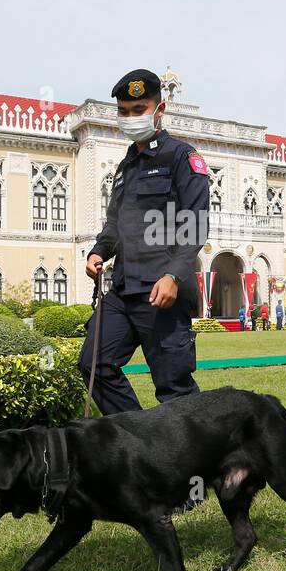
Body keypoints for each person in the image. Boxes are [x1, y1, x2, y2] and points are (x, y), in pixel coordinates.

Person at [81, 68, 210, 416]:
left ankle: (197, 465)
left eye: (138, 110)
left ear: (159, 109)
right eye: (123, 111)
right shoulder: (125, 167)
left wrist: (174, 276)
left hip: (163, 293)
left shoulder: (181, 158)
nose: (130, 118)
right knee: (95, 364)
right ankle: (139, 439)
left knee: (175, 391)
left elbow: (195, 225)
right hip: (123, 289)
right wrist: (98, 251)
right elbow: (114, 225)